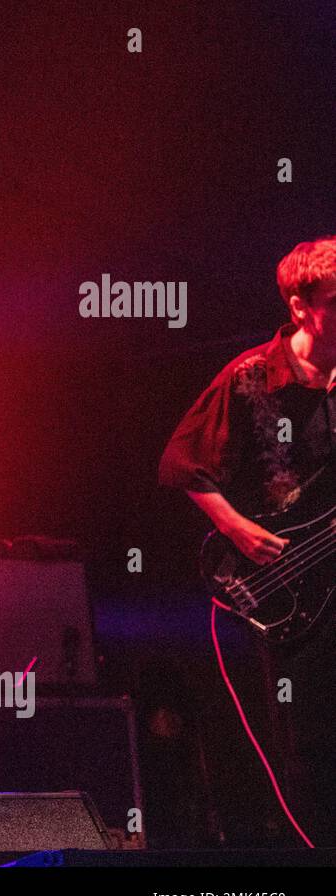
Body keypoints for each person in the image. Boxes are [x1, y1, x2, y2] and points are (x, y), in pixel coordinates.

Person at [160, 235, 336, 845]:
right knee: (307, 740)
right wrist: (236, 527)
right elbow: (181, 464)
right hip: (284, 584)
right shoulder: (251, 377)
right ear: (300, 307)